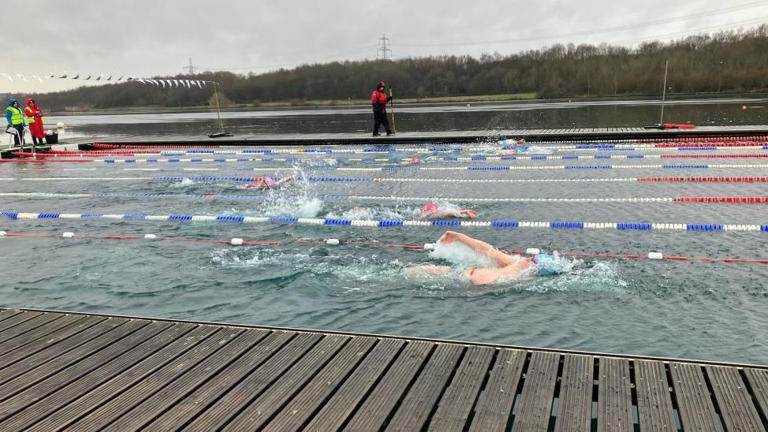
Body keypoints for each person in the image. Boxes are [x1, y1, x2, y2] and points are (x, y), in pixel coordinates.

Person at [404, 231, 565, 285]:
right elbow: (488, 250)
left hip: (459, 278)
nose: (529, 258)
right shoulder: (518, 264)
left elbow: (484, 280)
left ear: (534, 267)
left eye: (533, 259)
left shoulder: (517, 275)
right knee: (408, 272)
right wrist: (459, 236)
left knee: (407, 274)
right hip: (459, 274)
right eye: (533, 257)